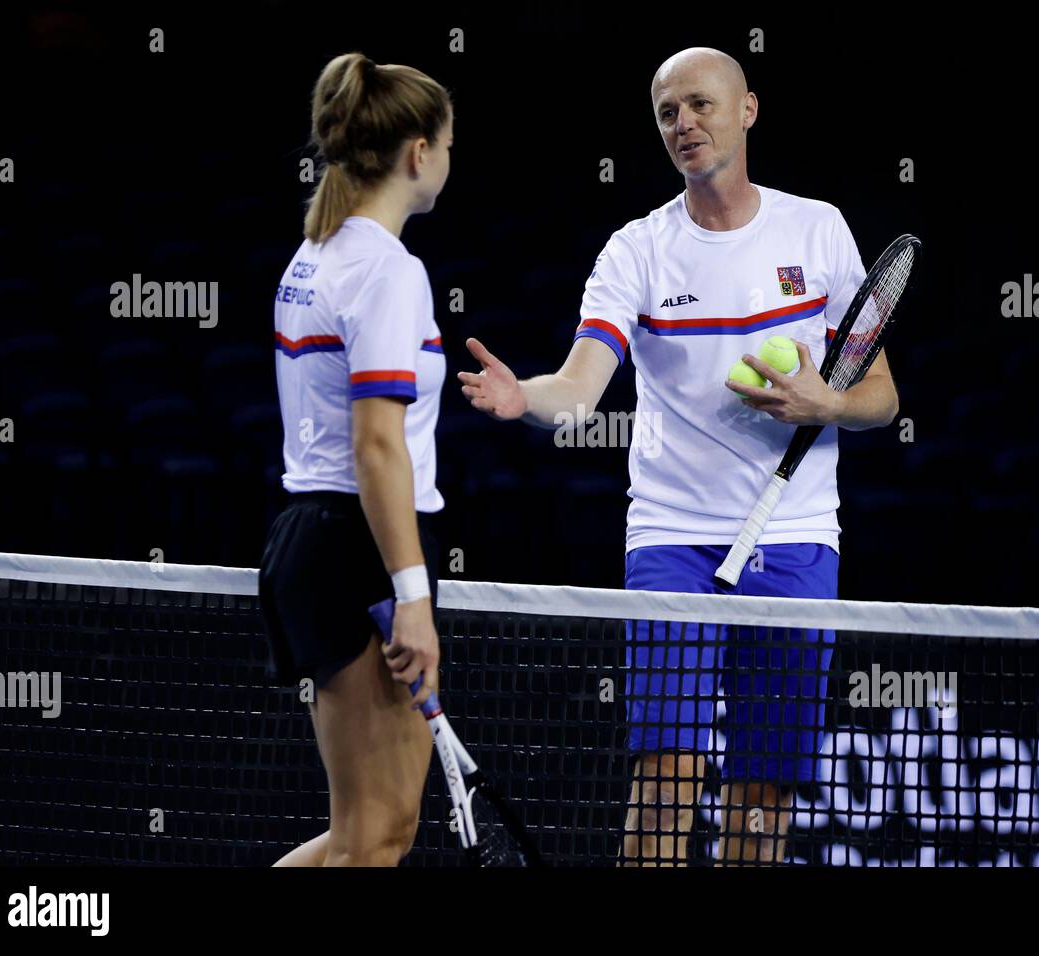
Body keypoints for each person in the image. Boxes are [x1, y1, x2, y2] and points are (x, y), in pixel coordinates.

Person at [459, 47, 898, 864]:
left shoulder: (818, 229)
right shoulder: (636, 251)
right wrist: (528, 399)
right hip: (673, 537)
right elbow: (580, 386)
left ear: (747, 110)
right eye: (667, 113)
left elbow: (883, 399)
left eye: (699, 104)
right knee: (667, 771)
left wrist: (827, 403)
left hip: (795, 535)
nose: (683, 124)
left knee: (763, 790)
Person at [258, 52, 453, 867]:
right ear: (417, 152)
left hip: (317, 539)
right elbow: (376, 446)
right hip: (360, 549)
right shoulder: (386, 269)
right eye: (447, 143)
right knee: (373, 840)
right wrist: (411, 595)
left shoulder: (315, 256)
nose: (449, 159)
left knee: (370, 837)